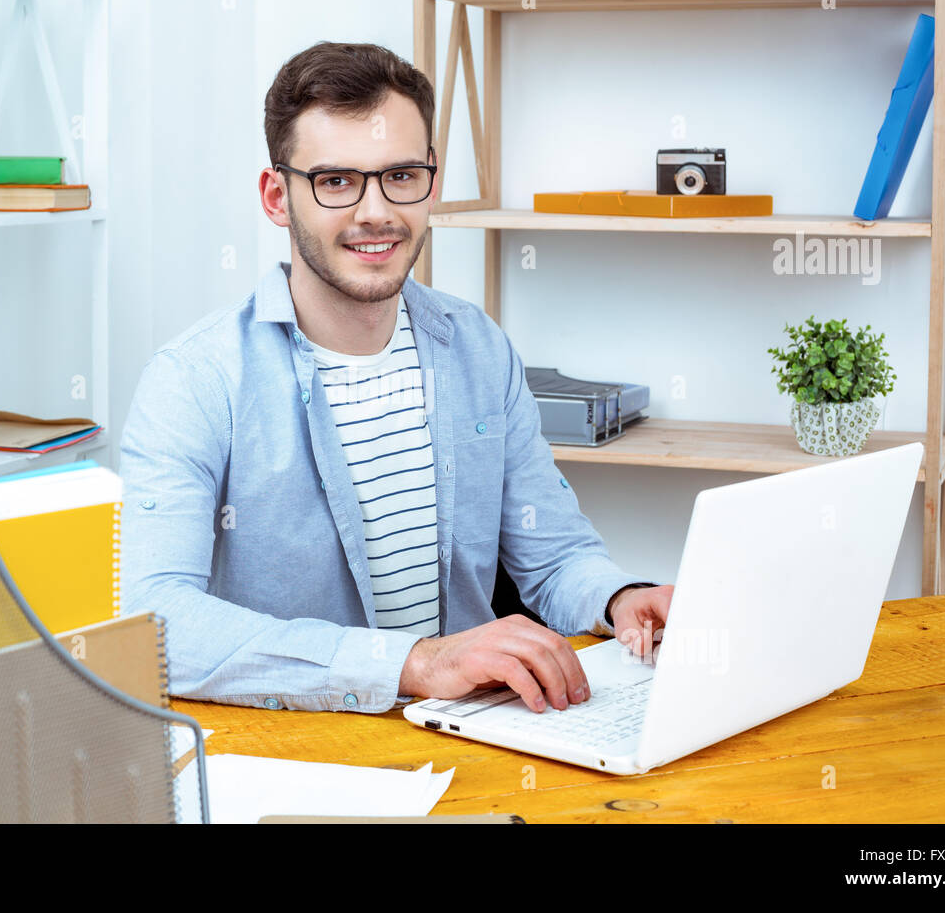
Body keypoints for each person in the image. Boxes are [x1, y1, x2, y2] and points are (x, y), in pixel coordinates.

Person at [119, 41, 674, 715]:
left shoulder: (478, 348)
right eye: (336, 181)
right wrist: (413, 664)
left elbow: (554, 556)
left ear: (431, 184)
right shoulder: (194, 381)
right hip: (305, 755)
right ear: (276, 195)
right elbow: (156, 627)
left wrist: (619, 599)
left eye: (400, 176)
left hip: (480, 735)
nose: (375, 212)